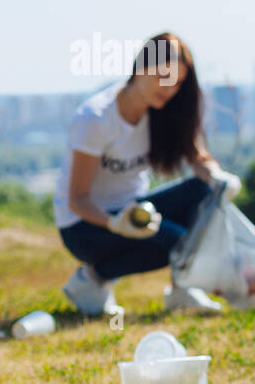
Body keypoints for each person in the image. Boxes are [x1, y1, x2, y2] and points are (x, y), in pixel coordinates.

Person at [53, 32, 244, 316]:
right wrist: (115, 223)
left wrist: (216, 176)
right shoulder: (96, 118)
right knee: (179, 241)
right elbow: (77, 200)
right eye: (162, 76)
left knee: (201, 191)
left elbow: (196, 158)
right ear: (141, 69)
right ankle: (91, 280)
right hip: (85, 226)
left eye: (177, 82)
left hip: (137, 210)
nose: (169, 89)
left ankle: (181, 290)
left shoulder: (164, 111)